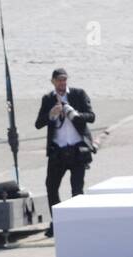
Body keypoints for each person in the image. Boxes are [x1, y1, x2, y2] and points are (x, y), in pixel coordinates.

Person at [35, 68, 96, 235]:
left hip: (78, 150)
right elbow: (38, 124)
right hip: (57, 152)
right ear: (53, 81)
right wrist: (50, 115)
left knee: (77, 189)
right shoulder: (48, 99)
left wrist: (74, 114)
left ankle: (78, 223)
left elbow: (91, 116)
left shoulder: (78, 94)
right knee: (51, 187)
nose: (62, 83)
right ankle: (57, 222)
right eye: (59, 80)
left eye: (64, 79)